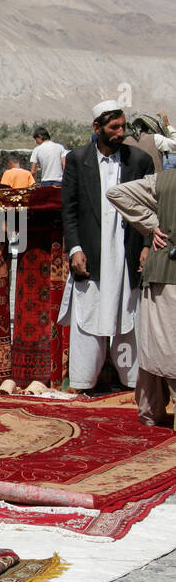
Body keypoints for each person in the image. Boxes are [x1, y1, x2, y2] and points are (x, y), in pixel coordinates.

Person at [60, 100, 155, 392]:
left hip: (127, 250)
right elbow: (70, 209)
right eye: (114, 127)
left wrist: (148, 244)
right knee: (89, 312)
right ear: (97, 128)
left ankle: (132, 382)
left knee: (130, 314)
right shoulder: (77, 159)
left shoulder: (139, 161)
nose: (121, 132)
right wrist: (75, 248)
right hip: (93, 250)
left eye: (123, 126)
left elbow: (153, 207)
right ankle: (84, 380)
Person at [106, 169, 176, 425]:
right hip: (166, 273)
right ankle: (152, 410)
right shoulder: (164, 181)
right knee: (163, 343)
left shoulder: (164, 180)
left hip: (164, 272)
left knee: (158, 342)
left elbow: (117, 193)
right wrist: (152, 224)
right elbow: (116, 193)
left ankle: (151, 411)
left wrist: (152, 223)